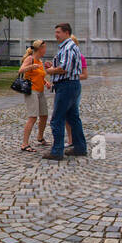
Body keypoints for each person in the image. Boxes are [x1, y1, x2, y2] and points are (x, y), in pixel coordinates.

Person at [43, 22, 89, 159]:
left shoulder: (68, 48)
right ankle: (80, 147)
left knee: (57, 119)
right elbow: (65, 66)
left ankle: (57, 151)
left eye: (58, 32)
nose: (56, 35)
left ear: (66, 33)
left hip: (66, 86)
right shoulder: (69, 47)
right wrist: (54, 66)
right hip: (71, 85)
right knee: (73, 118)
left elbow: (64, 68)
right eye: (56, 32)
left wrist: (51, 70)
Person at [15, 40, 49, 154]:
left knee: (44, 115)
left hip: (40, 90)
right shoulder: (30, 59)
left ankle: (40, 137)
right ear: (39, 49)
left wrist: (45, 82)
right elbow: (21, 70)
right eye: (44, 48)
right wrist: (31, 67)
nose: (46, 50)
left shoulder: (40, 61)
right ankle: (24, 144)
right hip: (31, 90)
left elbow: (39, 74)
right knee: (33, 117)